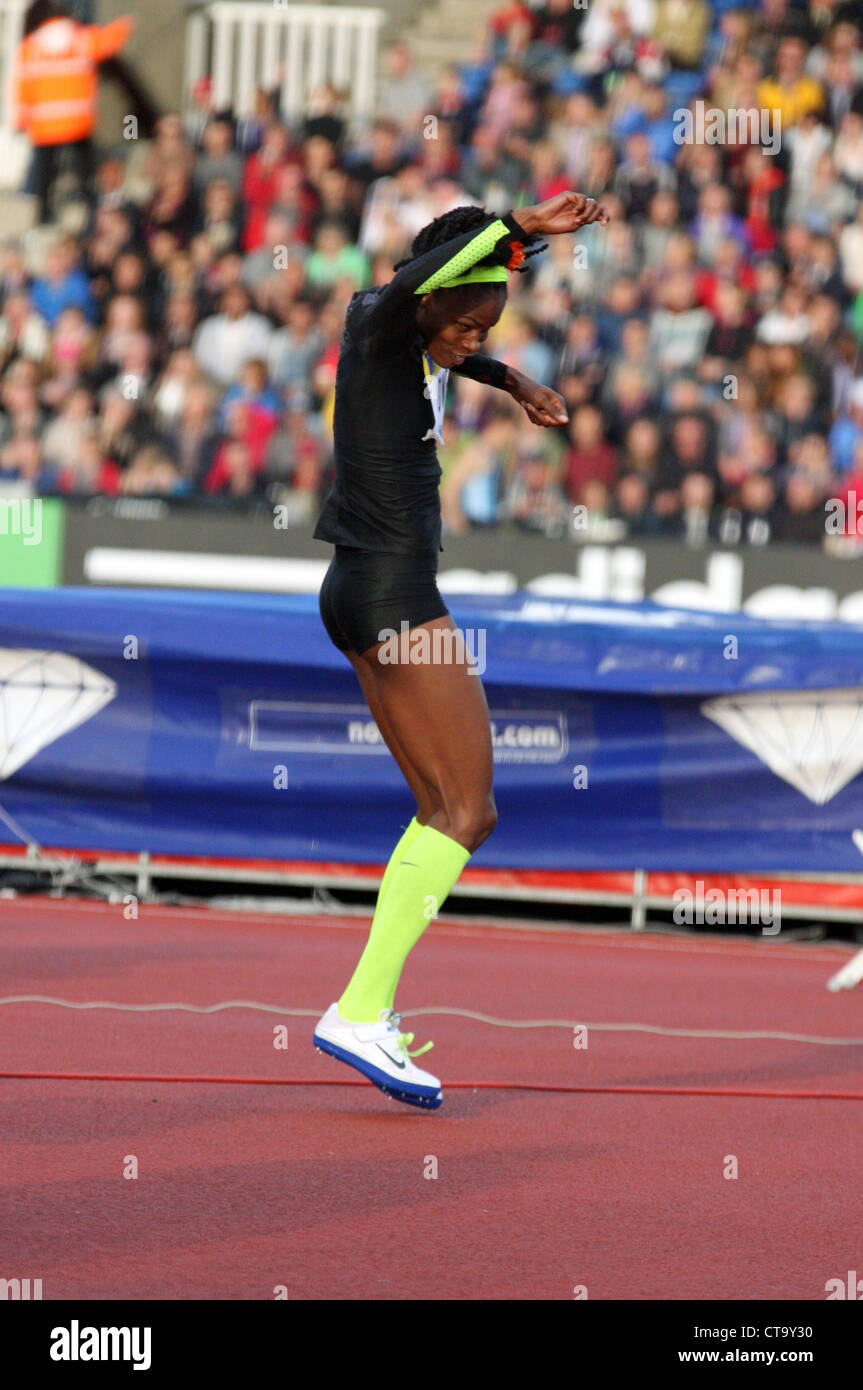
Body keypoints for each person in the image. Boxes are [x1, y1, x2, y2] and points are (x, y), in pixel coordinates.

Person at [312, 191, 608, 1108]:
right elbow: (426, 289)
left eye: (488, 327)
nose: (471, 337)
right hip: (395, 595)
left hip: (362, 590)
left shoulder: (400, 332)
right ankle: (359, 1009)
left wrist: (510, 379)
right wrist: (522, 227)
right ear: (433, 294)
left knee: (440, 809)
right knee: (470, 811)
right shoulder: (387, 311)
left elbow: (451, 335)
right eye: (467, 321)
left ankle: (365, 1008)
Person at [14, 0, 134, 222]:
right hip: (77, 121)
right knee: (84, 169)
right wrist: (126, 24)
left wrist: (20, 120)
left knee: (44, 171)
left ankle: (44, 214)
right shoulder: (80, 39)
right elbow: (107, 42)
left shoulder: (31, 47)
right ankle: (90, 205)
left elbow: (23, 86)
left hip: (45, 123)